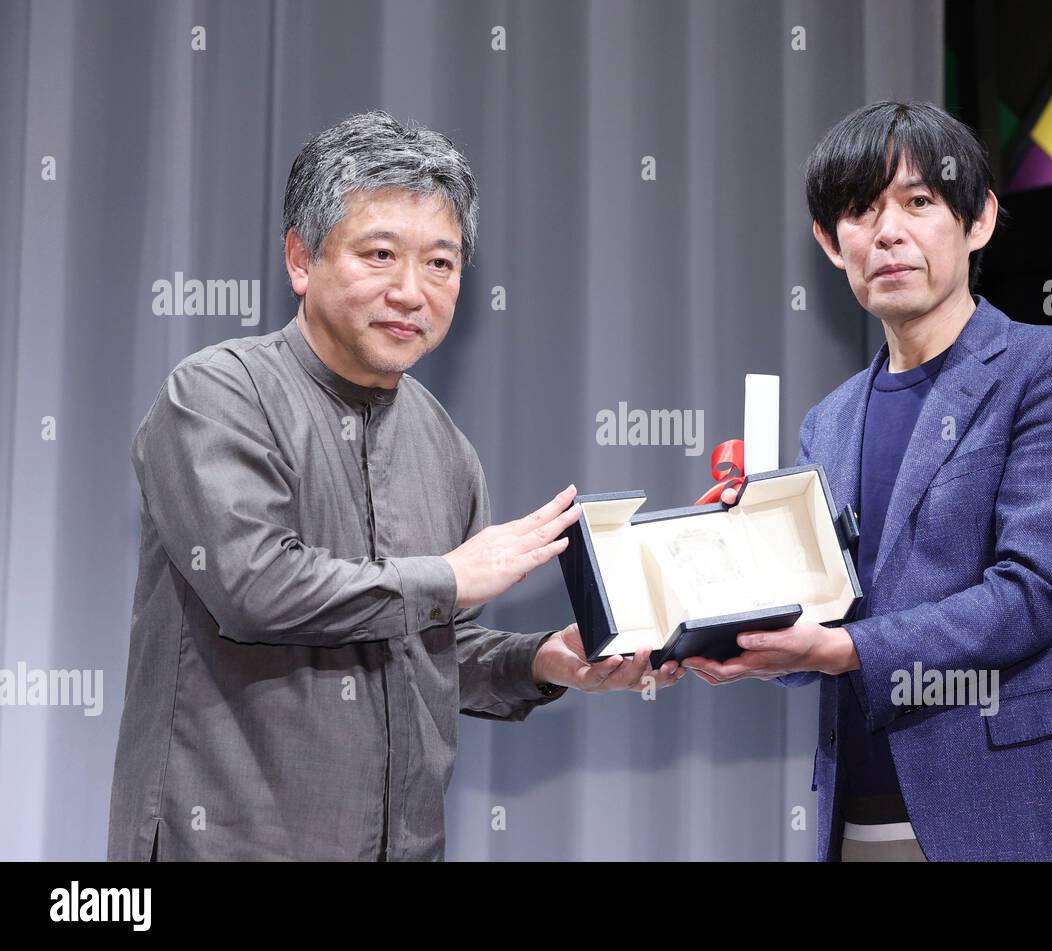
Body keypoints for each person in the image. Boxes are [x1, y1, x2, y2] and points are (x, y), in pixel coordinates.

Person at [107, 110, 685, 862]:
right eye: (380, 254)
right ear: (300, 259)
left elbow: (432, 647)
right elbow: (256, 585)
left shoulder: (446, 447)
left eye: (441, 264)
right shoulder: (217, 394)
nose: (412, 291)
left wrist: (545, 658)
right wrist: (449, 575)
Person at [684, 101, 1052, 862]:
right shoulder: (827, 422)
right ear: (832, 244)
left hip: (1022, 809)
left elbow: (1037, 592)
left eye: (919, 202)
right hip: (860, 818)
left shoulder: (1050, 369)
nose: (888, 231)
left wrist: (846, 649)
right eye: (861, 210)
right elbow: (826, 622)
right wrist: (746, 600)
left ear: (980, 220)